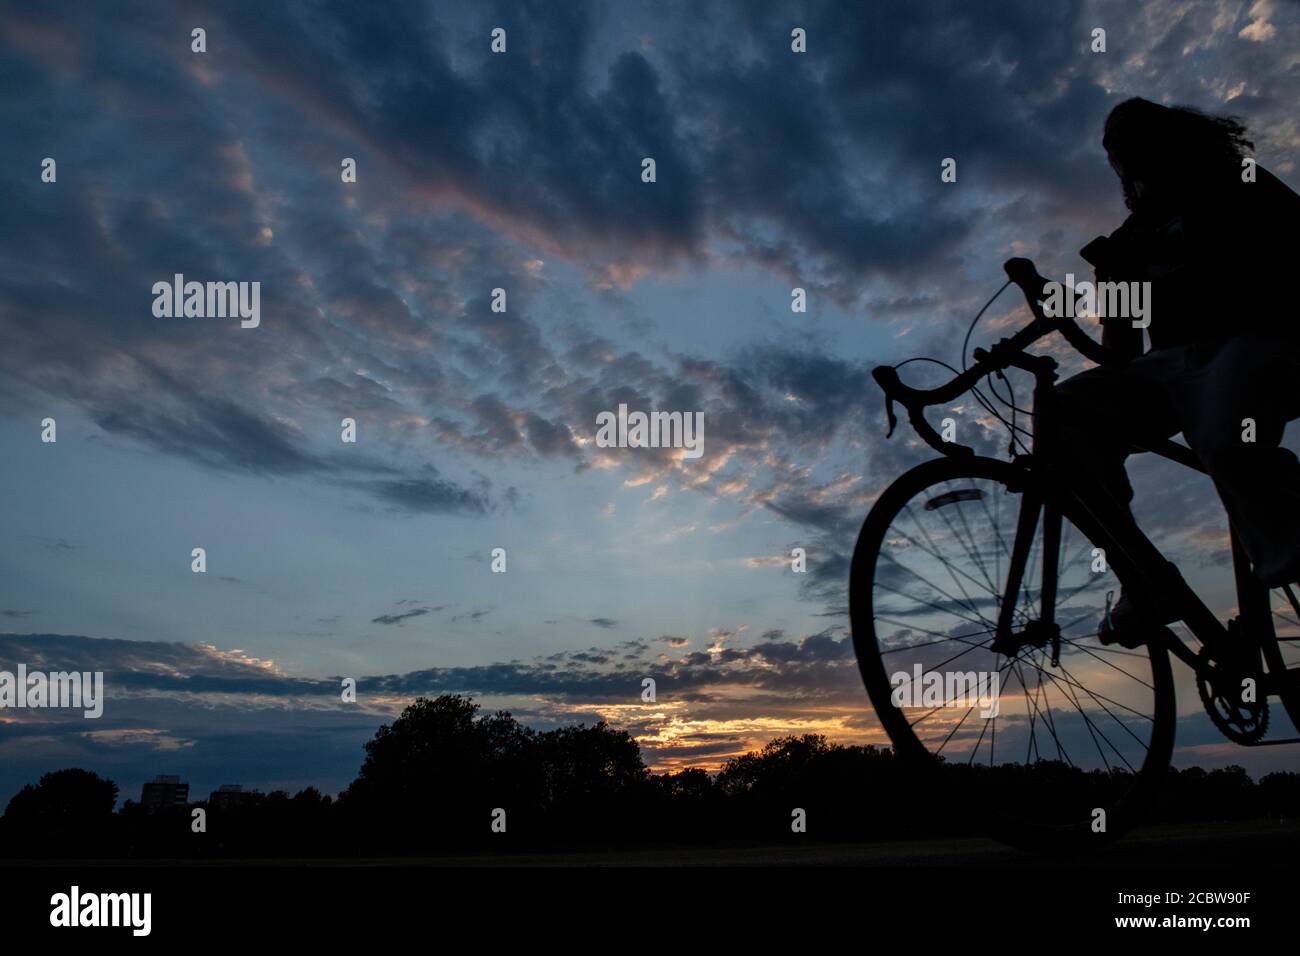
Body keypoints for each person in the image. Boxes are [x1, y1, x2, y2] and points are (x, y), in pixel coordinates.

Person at [1050, 97, 1300, 640]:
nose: (1121, 157)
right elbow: (1120, 354)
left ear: (1175, 137)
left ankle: (1289, 542)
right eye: (1113, 150)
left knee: (1228, 440)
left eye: (1133, 140)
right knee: (1062, 419)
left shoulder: (1239, 182)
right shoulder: (1129, 239)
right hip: (1168, 367)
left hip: (1256, 335)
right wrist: (1113, 288)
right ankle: (1144, 581)